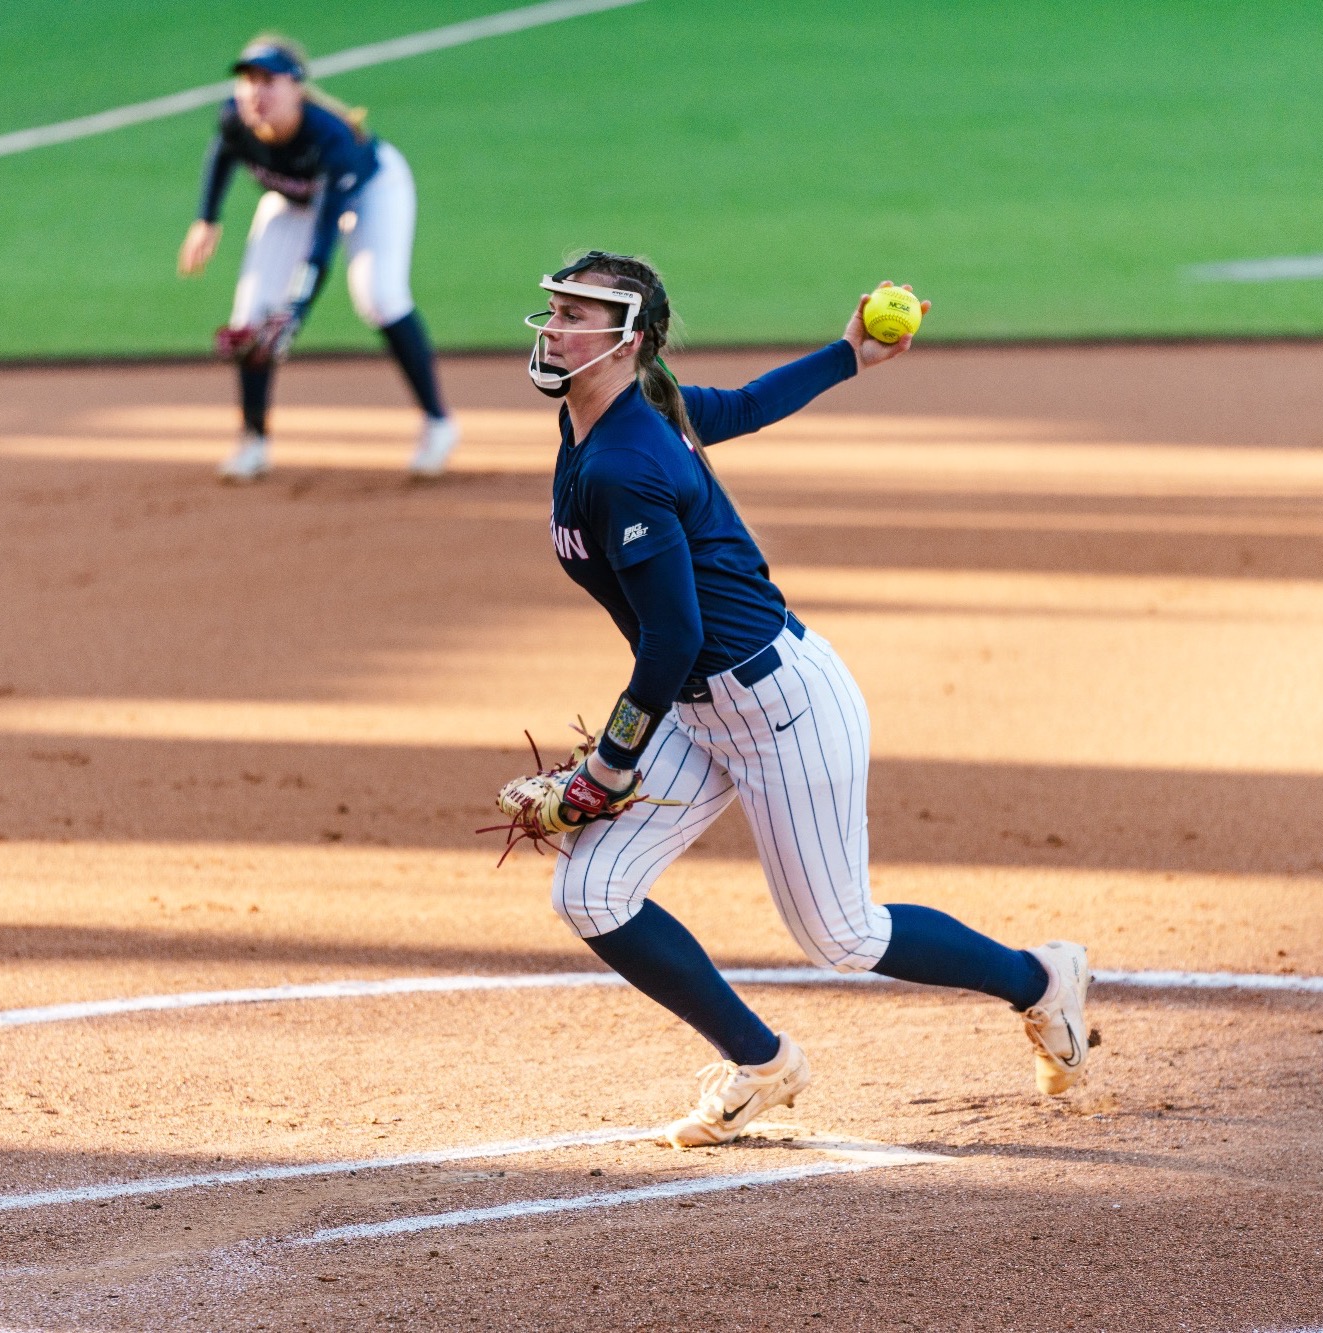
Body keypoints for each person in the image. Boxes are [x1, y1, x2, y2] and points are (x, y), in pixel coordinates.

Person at [512, 251, 1091, 1149]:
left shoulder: (627, 458)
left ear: (627, 341)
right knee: (591, 890)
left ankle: (1041, 979)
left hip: (781, 707)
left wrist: (608, 764)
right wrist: (846, 354)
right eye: (554, 308)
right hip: (699, 707)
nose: (554, 326)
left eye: (578, 314)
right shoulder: (612, 414)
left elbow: (672, 636)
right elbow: (739, 407)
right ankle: (763, 1062)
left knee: (844, 935)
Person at [177, 35, 457, 481]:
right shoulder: (236, 119)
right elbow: (224, 151)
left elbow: (323, 239)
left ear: (297, 88)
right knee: (250, 314)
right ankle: (253, 442)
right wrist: (206, 220)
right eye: (248, 80)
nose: (255, 91)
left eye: (269, 80)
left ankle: (439, 425)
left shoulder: (331, 137)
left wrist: (296, 311)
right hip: (294, 200)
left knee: (380, 296)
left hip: (372, 191)